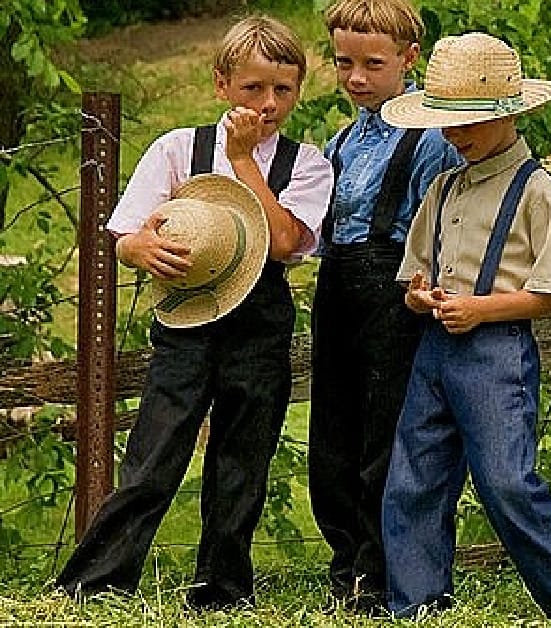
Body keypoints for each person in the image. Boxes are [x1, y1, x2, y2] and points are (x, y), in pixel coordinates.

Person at [55, 16, 333, 609]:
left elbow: (285, 242)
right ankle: (95, 583)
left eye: (283, 90)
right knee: (154, 457)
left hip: (259, 323)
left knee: (242, 463)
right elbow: (126, 234)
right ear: (221, 84)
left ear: (299, 90)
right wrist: (140, 248)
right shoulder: (179, 148)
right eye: (253, 87)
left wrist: (245, 162)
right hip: (184, 321)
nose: (267, 103)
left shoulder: (305, 163)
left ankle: (222, 591)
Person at [376, 32, 551, 619]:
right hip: (434, 352)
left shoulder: (535, 190)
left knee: (508, 483)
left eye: (469, 123)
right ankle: (415, 603)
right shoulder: (442, 187)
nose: (455, 136)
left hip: (496, 356)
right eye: (447, 124)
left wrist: (481, 309)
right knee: (412, 479)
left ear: (508, 114)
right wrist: (420, 298)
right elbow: (414, 274)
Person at [308, 0, 460, 610]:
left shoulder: (429, 138)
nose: (356, 78)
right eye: (344, 63)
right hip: (338, 287)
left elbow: (440, 226)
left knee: (385, 432)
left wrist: (425, 288)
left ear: (408, 59)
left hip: (397, 291)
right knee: (332, 432)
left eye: (373, 63)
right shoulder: (339, 140)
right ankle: (345, 561)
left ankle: (380, 569)